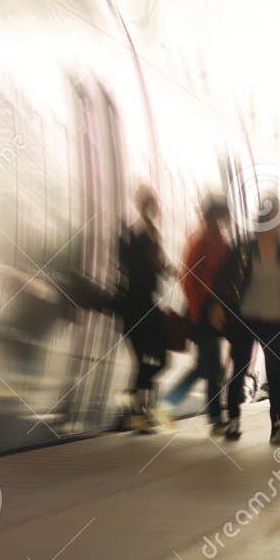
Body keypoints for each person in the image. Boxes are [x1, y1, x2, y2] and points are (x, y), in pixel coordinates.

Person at [218, 197, 280, 444]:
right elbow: (222, 278)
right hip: (246, 319)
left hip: (274, 319)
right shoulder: (244, 248)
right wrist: (217, 306)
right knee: (239, 369)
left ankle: (278, 424)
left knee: (275, 373)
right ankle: (233, 422)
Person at [162, 197, 232, 434]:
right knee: (211, 368)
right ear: (216, 215)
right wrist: (199, 309)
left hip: (213, 313)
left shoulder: (218, 240)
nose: (227, 220)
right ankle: (215, 420)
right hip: (201, 315)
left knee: (206, 367)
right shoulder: (202, 240)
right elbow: (188, 278)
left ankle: (166, 406)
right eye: (223, 214)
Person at [116, 185, 170, 433]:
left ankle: (134, 407)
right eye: (154, 204)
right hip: (138, 307)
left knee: (152, 361)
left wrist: (163, 266)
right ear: (146, 206)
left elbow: (156, 267)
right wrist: (160, 265)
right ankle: (138, 413)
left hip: (143, 306)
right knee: (151, 360)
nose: (157, 209)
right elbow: (144, 269)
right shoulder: (137, 237)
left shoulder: (148, 236)